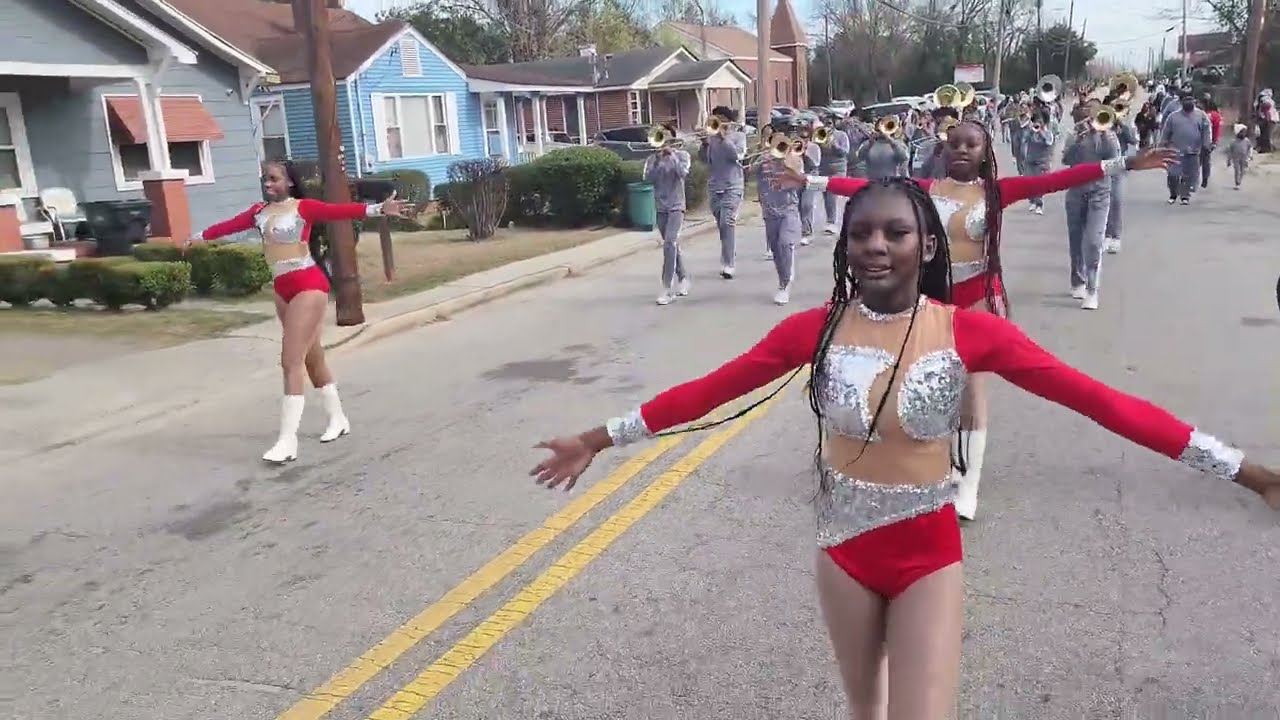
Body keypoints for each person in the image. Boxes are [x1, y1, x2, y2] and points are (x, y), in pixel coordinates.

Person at [531, 177, 1280, 719]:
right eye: (861, 233)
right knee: (866, 711)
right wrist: (598, 439)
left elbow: (1106, 404)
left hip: (926, 550)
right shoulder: (812, 331)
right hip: (842, 545)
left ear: (927, 243)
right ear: (845, 243)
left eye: (895, 232)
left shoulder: (971, 332)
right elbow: (705, 391)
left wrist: (1246, 472)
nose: (876, 246)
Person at [776, 120, 1175, 521]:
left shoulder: (996, 192)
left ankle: (967, 485)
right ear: (943, 150)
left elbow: (1057, 179)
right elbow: (864, 191)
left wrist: (1124, 163)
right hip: (930, 302)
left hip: (977, 303)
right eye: (954, 143)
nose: (962, 150)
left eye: (972, 144)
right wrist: (808, 179)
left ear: (986, 152)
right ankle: (932, 461)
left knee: (970, 395)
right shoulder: (924, 191)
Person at [190, 160, 412, 463]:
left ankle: (287, 440)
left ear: (289, 182)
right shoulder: (258, 213)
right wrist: (199, 236)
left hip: (309, 284)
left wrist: (376, 210)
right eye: (264, 179)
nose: (268, 184)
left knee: (289, 360)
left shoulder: (303, 207)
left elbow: (339, 212)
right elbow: (227, 226)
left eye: (273, 179)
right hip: (282, 289)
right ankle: (338, 418)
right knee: (311, 356)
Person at [1062, 105, 1120, 310]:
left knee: (1094, 242)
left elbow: (1116, 164)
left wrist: (1104, 137)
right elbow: (1065, 160)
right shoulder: (1074, 134)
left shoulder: (1110, 136)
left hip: (1100, 193)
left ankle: (1092, 289)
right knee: (1076, 240)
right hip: (1076, 191)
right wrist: (1078, 141)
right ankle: (1078, 280)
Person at [644, 123, 692, 306]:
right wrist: (657, 160)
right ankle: (684, 277)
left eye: (665, 137)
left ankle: (667, 287)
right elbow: (648, 178)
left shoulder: (682, 156)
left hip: (676, 206)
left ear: (672, 139)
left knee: (670, 243)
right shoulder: (651, 159)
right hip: (661, 207)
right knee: (670, 245)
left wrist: (671, 156)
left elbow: (682, 173)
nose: (662, 141)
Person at [698, 105, 748, 279]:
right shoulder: (711, 139)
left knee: (727, 222)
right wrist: (704, 144)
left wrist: (723, 138)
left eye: (721, 118)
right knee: (722, 225)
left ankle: (729, 264)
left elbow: (736, 156)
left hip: (733, 185)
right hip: (714, 186)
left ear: (728, 120)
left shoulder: (738, 137)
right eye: (715, 118)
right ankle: (729, 254)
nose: (717, 122)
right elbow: (704, 160)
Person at [756, 140, 805, 305]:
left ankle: (786, 284)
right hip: (769, 211)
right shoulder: (764, 161)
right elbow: (747, 172)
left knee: (785, 244)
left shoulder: (794, 160)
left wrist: (788, 165)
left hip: (788, 209)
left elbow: (801, 181)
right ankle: (782, 280)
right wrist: (758, 160)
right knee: (776, 250)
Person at [1160, 95, 1212, 205]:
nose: (1188, 103)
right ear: (1182, 104)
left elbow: (1206, 130)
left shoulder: (1201, 115)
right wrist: (1163, 144)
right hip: (1175, 150)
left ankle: (1185, 196)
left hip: (1193, 151)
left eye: (1191, 101)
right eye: (1186, 101)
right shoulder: (1173, 117)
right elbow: (1166, 132)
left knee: (1188, 175)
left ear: (1194, 103)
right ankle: (1173, 194)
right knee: (1173, 174)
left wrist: (1206, 144)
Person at [1103, 100, 1139, 255]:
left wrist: (1123, 126)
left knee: (1116, 201)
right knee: (1101, 202)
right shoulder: (1103, 124)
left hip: (1117, 167)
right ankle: (1105, 235)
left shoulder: (1124, 127)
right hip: (1101, 167)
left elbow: (1133, 140)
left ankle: (1115, 237)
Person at [819, 116, 856, 235]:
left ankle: (832, 222)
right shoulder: (820, 134)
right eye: (825, 123)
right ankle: (831, 219)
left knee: (831, 194)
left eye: (829, 123)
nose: (827, 125)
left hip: (838, 168)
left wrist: (834, 144)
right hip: (823, 168)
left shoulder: (841, 135)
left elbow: (845, 152)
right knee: (826, 195)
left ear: (834, 124)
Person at [1021, 110, 1056, 215]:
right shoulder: (1031, 132)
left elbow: (1049, 142)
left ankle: (1039, 204)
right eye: (1036, 121)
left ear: (1044, 122)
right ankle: (1032, 201)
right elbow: (1024, 140)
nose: (1038, 123)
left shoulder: (1048, 133)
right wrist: (1029, 130)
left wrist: (1041, 132)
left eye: (1040, 121)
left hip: (1041, 163)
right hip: (1030, 161)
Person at [1201, 100, 1223, 189]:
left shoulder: (1201, 114)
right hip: (1209, 141)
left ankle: (1191, 179)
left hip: (1198, 141)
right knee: (1206, 160)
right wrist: (1215, 141)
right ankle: (1205, 178)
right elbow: (1217, 130)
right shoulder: (1216, 116)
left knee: (1196, 160)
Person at [1227, 123, 1254, 190]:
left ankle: (1239, 181)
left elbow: (1250, 148)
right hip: (1235, 158)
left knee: (1242, 170)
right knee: (1237, 170)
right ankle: (1237, 183)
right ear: (1237, 132)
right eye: (1241, 132)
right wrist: (1229, 160)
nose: (1243, 134)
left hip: (1244, 158)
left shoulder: (1247, 141)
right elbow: (1230, 151)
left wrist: (1250, 156)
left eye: (1244, 132)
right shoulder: (1233, 142)